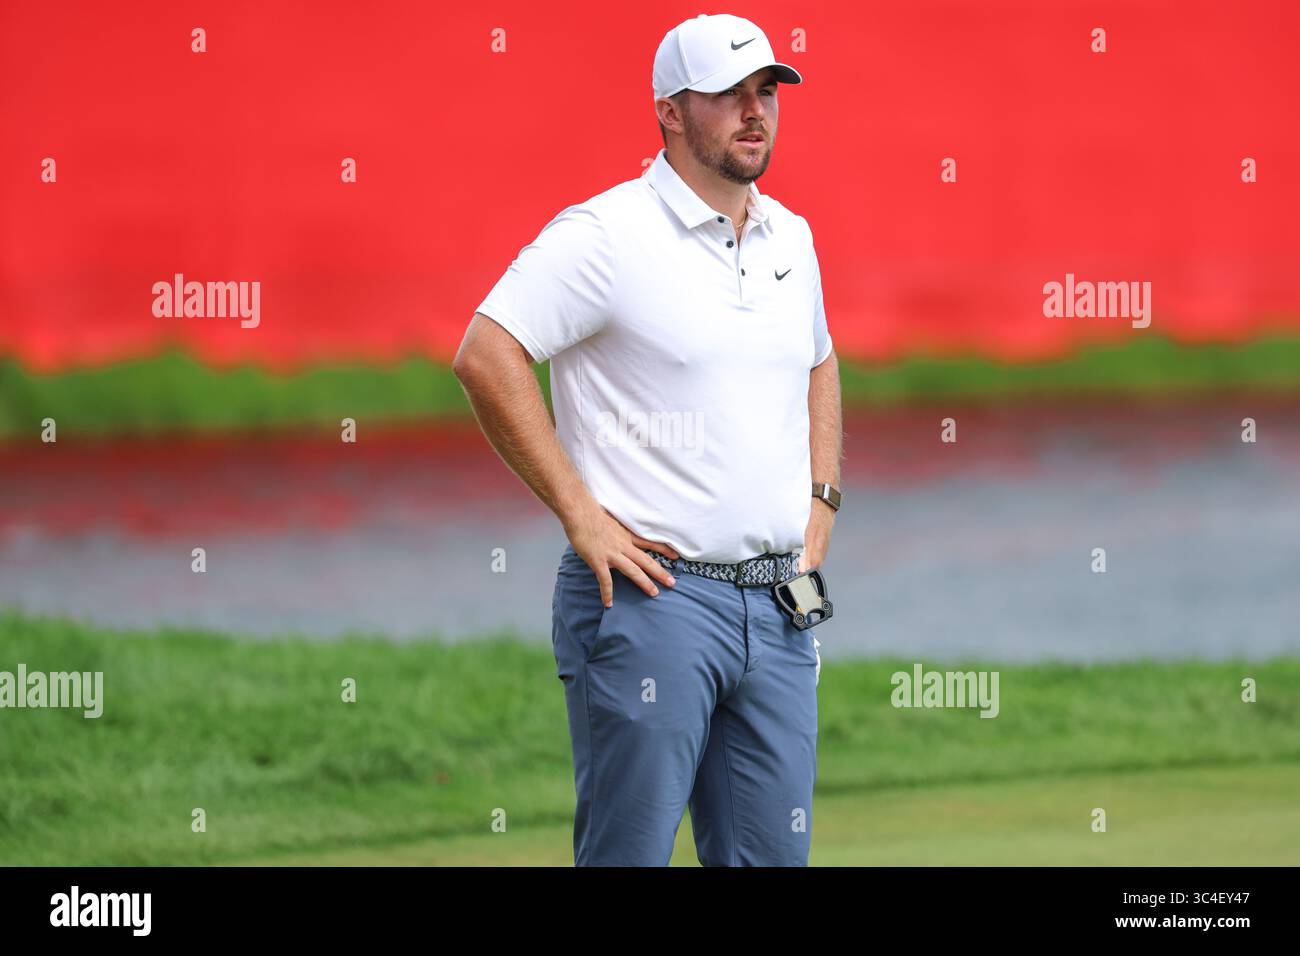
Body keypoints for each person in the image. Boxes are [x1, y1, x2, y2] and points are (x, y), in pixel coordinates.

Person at [453, 12, 843, 866]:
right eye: (729, 95)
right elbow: (487, 353)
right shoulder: (606, 236)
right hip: (652, 601)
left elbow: (817, 360)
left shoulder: (792, 238)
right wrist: (580, 515)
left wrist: (822, 496)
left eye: (767, 90)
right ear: (670, 110)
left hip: (779, 605)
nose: (756, 111)